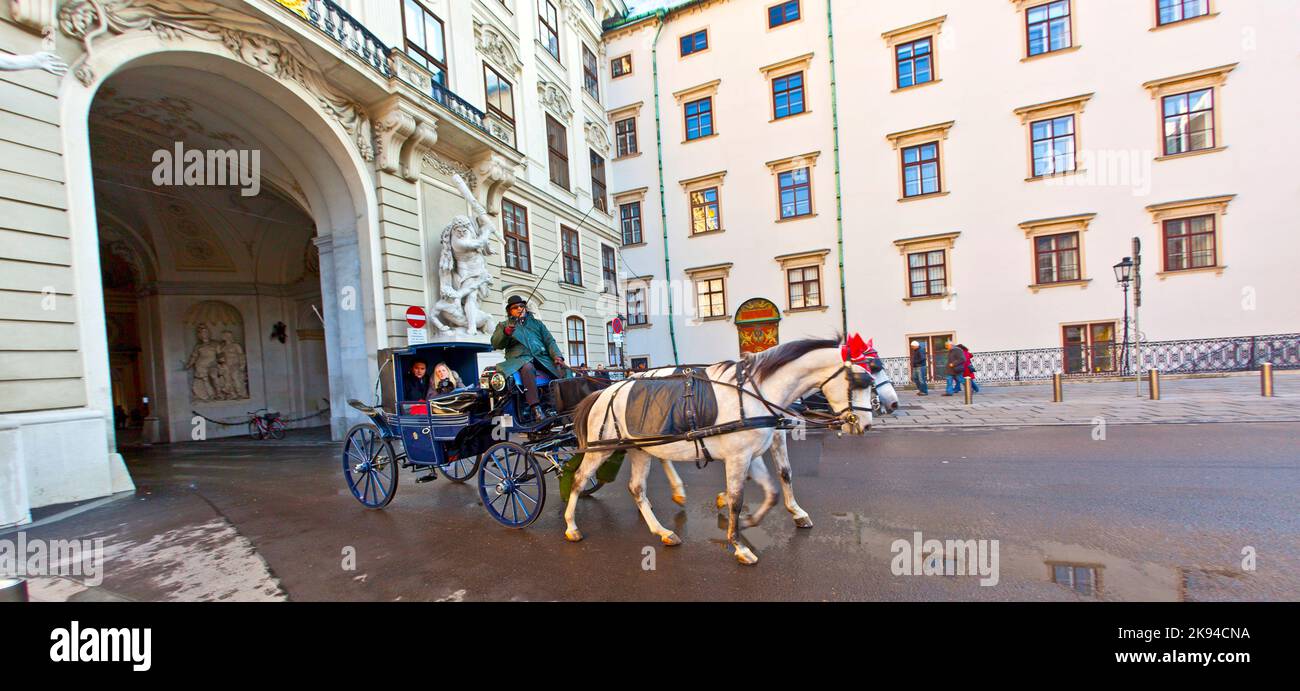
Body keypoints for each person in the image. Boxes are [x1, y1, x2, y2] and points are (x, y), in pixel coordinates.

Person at [491, 295, 566, 420]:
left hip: (541, 358)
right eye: (515, 307)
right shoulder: (504, 325)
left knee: (563, 369)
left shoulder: (537, 324)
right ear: (510, 311)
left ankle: (561, 405)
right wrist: (505, 333)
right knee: (527, 368)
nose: (519, 309)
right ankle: (535, 407)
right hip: (519, 359)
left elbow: (549, 341)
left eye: (521, 306)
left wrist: (557, 356)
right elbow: (495, 343)